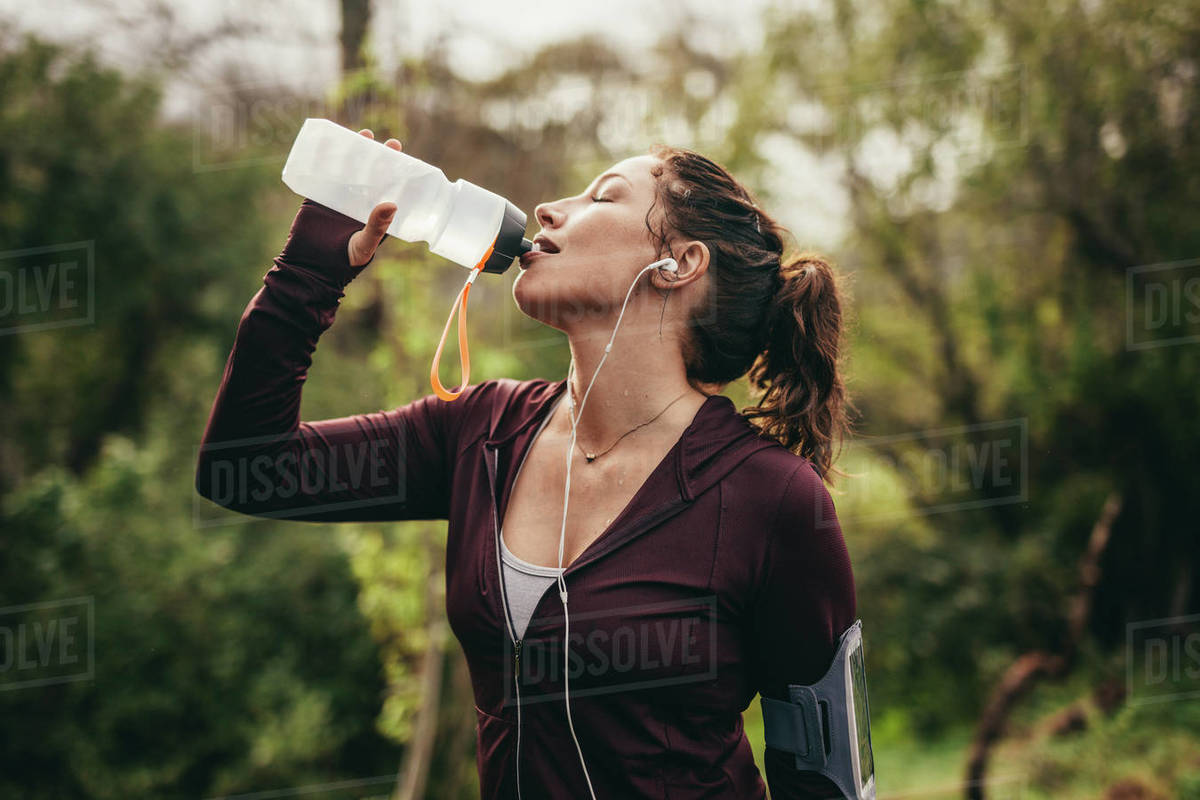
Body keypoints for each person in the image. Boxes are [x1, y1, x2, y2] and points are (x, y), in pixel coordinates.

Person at [196, 129, 858, 799]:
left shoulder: (772, 497)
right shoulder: (478, 432)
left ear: (679, 263)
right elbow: (246, 466)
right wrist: (310, 271)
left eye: (603, 196)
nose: (546, 210)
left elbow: (826, 776)